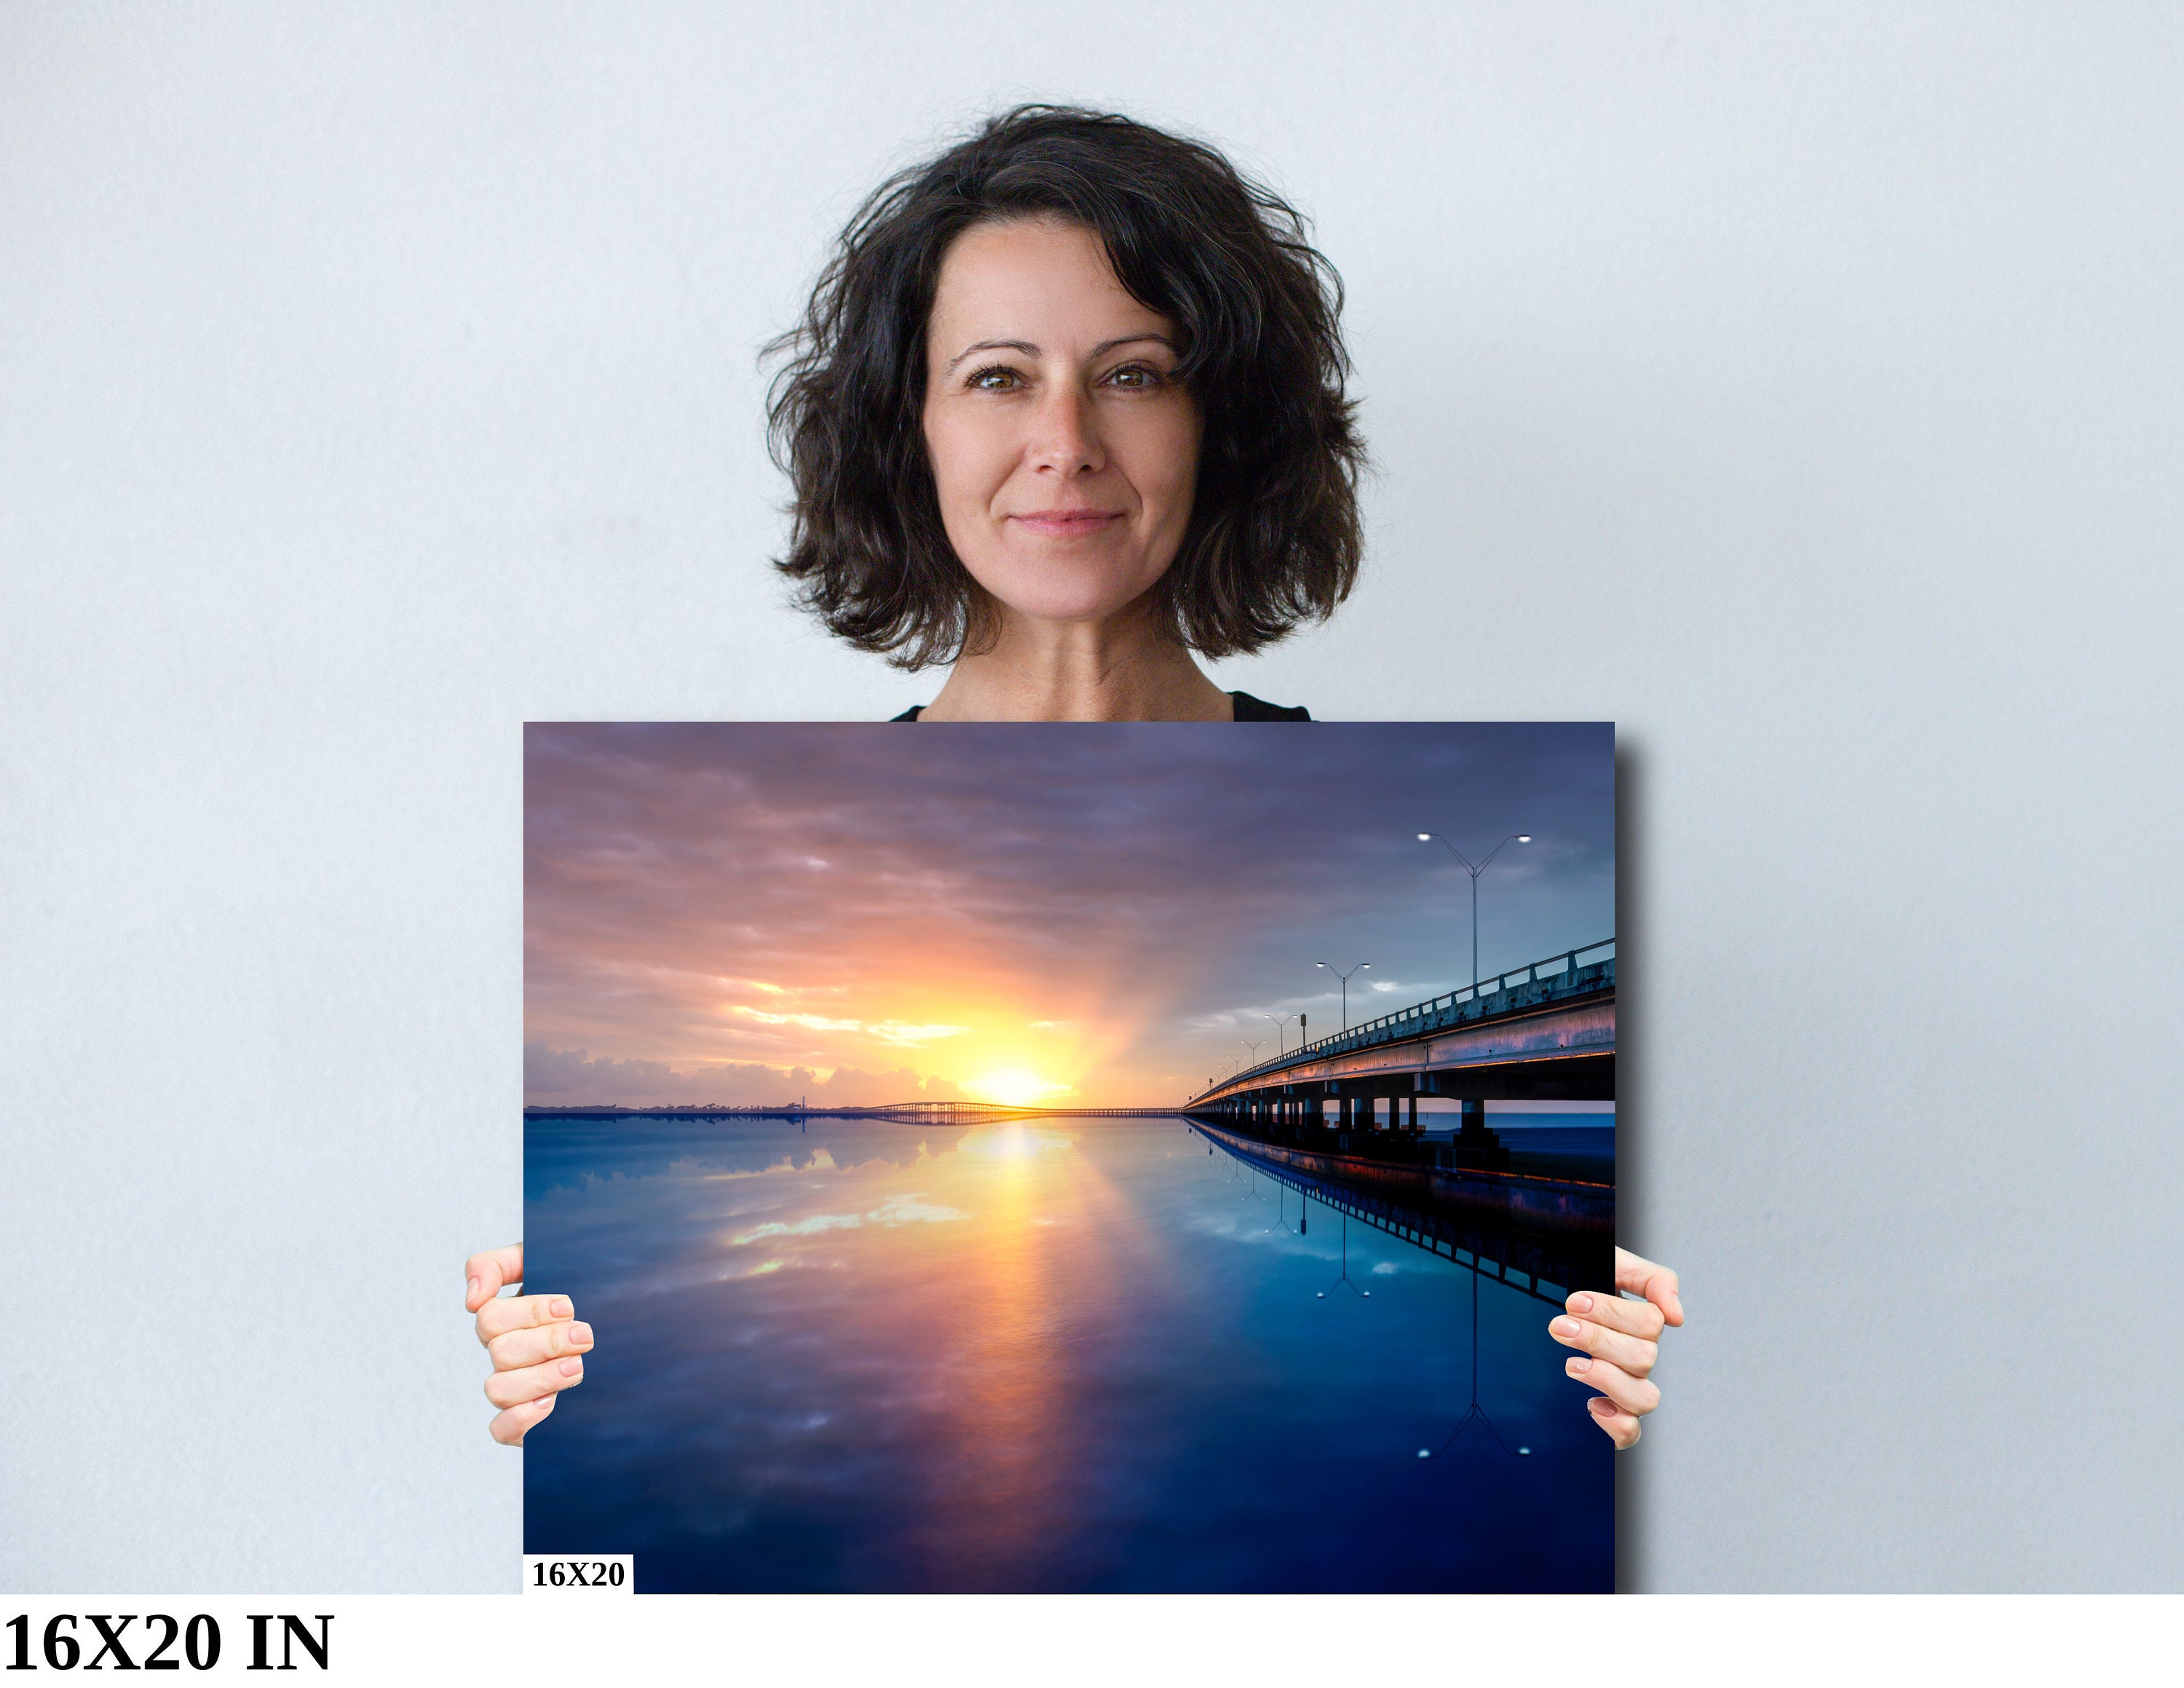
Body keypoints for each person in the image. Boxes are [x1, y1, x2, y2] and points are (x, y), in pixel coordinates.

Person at [472, 105, 1682, 1447]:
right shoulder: (770, 816)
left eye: (1135, 372)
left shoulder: (1433, 801)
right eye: (998, 376)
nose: (1067, 441)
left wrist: (1595, 1372)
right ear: (909, 428)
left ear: (1221, 424)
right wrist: (570, 1380)